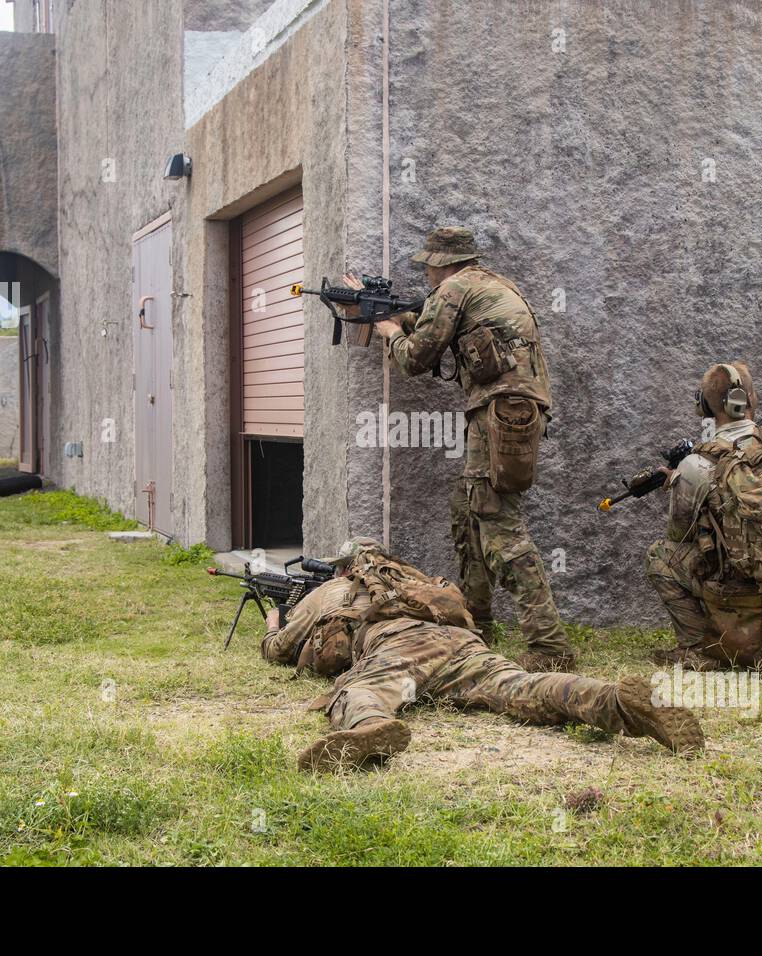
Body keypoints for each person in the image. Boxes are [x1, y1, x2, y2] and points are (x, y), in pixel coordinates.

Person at [338, 227, 575, 671]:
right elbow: (433, 328)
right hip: (506, 411)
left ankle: (550, 647)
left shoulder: (453, 288)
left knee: (498, 523)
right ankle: (476, 624)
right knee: (467, 514)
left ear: (441, 263)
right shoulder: (486, 284)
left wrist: (387, 328)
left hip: (502, 413)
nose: (426, 273)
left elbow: (415, 358)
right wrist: (385, 315)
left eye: (428, 265)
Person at [262, 538, 704, 773]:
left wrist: (272, 625)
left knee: (362, 692)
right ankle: (616, 700)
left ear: (343, 568)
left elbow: (282, 650)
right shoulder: (411, 581)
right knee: (523, 688)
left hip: (398, 646)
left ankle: (370, 730)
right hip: (461, 645)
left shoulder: (337, 589)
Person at [646, 362, 762, 673]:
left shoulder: (696, 464)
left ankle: (699, 648)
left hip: (742, 594)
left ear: (704, 406)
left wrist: (678, 485)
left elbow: (679, 534)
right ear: (751, 399)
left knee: (659, 556)